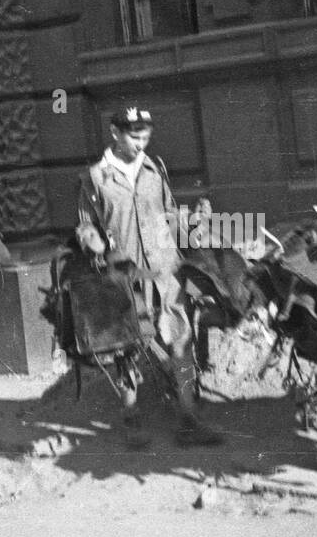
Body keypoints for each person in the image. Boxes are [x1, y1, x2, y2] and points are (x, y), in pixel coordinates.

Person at [76, 106, 221, 446]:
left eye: (145, 137)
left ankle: (188, 419)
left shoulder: (155, 169)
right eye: (134, 137)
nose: (141, 145)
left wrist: (192, 222)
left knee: (181, 341)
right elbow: (85, 223)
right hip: (124, 273)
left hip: (164, 269)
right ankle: (131, 419)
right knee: (125, 346)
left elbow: (168, 214)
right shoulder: (96, 177)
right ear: (115, 132)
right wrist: (91, 240)